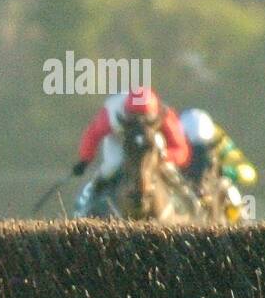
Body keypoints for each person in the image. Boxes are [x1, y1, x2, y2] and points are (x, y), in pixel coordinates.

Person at [72, 87, 190, 215]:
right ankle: (89, 199)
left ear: (154, 114)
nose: (139, 123)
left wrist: (164, 156)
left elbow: (181, 149)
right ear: (126, 112)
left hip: (151, 141)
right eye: (134, 117)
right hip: (120, 139)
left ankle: (187, 198)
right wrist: (85, 160)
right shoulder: (111, 112)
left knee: (168, 168)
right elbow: (93, 134)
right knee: (111, 166)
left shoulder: (166, 116)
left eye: (145, 118)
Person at [179, 108, 256, 222]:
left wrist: (225, 171)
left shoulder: (220, 140)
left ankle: (244, 228)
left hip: (212, 184)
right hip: (184, 184)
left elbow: (249, 173)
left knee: (231, 192)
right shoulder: (173, 137)